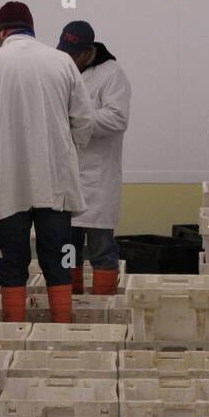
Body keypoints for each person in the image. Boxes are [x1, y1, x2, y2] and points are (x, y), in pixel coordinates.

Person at [0, 1, 93, 323]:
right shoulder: (62, 61)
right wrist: (66, 152)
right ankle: (62, 325)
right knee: (58, 258)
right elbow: (83, 120)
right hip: (55, 182)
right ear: (31, 29)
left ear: (1, 32)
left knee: (12, 260)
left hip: (8, 185)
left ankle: (14, 329)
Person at [58, 21, 129, 296]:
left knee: (101, 249)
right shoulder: (63, 69)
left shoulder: (112, 75)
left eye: (74, 55)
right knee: (67, 250)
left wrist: (77, 120)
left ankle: (104, 310)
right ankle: (69, 303)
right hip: (68, 179)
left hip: (98, 181)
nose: (70, 60)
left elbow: (117, 118)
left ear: (88, 51)